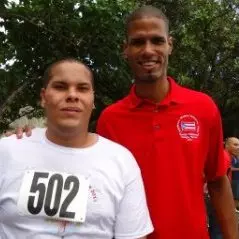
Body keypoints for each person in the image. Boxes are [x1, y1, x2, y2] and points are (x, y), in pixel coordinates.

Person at [8, 5, 238, 239]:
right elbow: (72, 160)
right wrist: (28, 143)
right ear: (125, 49)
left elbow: (218, 182)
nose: (148, 50)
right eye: (138, 42)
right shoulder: (110, 119)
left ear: (170, 44)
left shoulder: (203, 108)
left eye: (157, 41)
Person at [0, 58, 153, 238]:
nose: (72, 95)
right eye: (60, 86)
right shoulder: (7, 151)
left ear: (92, 99)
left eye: (82, 88)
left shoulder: (122, 161)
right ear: (43, 97)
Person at [225, 137, 239, 210]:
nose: (238, 147)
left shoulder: (230, 157)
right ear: (227, 146)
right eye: (235, 145)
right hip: (219, 192)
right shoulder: (224, 156)